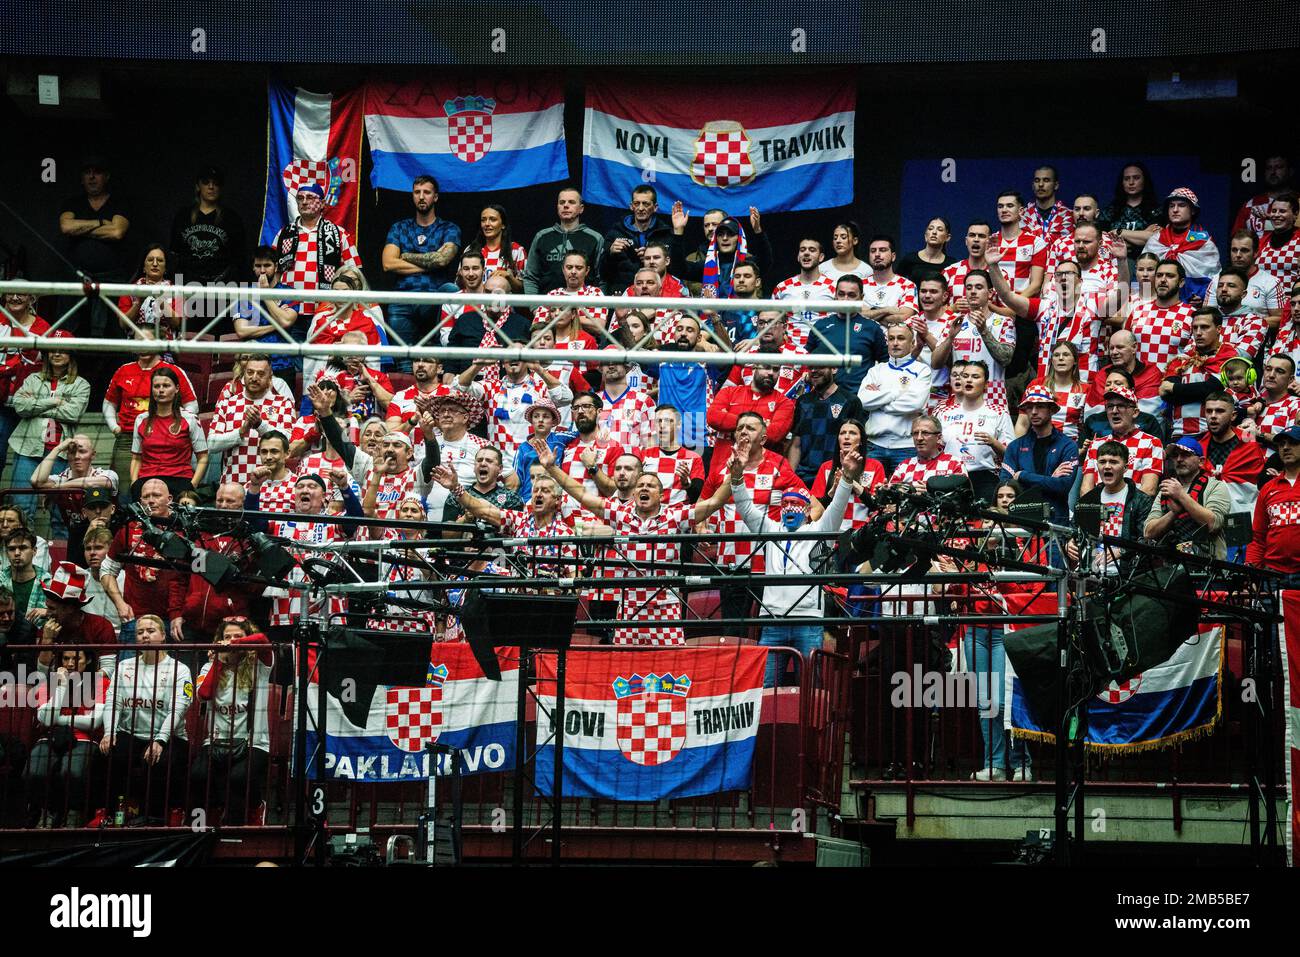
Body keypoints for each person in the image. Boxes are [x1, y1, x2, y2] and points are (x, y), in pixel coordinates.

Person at [533, 439, 734, 644]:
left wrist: (736, 474)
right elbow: (582, 495)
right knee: (624, 666)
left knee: (669, 667)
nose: (644, 488)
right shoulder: (620, 514)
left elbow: (716, 501)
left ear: (661, 495)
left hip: (666, 609)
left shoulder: (675, 516)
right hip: (628, 608)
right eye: (640, 486)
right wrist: (552, 467)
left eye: (650, 486)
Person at [733, 444, 865, 686]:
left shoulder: (818, 530)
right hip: (773, 620)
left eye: (796, 504)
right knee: (766, 688)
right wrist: (737, 477)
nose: (789, 508)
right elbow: (745, 507)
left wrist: (846, 478)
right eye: (785, 504)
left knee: (811, 688)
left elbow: (836, 509)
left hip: (808, 620)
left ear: (807, 510)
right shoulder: (770, 529)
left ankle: (814, 725)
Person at [700, 412, 810, 636]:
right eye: (739, 428)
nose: (743, 432)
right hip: (729, 563)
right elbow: (702, 504)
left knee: (766, 632)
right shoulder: (722, 468)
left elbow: (812, 506)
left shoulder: (778, 465)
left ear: (763, 438)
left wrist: (796, 537)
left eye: (750, 428)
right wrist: (700, 527)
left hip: (767, 564)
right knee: (733, 631)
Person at [100, 613, 193, 823]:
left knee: (159, 762)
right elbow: (112, 702)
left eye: (150, 631)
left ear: (163, 635)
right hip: (130, 733)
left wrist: (160, 740)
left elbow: (178, 709)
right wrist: (109, 732)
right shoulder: (124, 666)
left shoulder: (180, 670)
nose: (144, 636)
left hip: (169, 737)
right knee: (107, 754)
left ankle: (154, 818)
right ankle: (111, 814)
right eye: (140, 632)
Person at [191, 617, 274, 826]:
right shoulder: (209, 668)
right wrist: (219, 660)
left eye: (238, 636)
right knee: (198, 774)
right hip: (217, 741)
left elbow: (263, 639)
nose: (232, 640)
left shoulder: (260, 666)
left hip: (253, 741)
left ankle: (245, 817)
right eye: (226, 637)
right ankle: (201, 826)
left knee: (237, 777)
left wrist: (234, 645)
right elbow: (204, 694)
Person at [103, 337, 199, 500]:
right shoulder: (123, 370)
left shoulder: (173, 370)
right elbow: (108, 403)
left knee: (167, 495)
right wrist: (114, 426)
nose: (143, 344)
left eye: (148, 339)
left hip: (168, 436)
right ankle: (132, 524)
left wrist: (175, 422)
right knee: (127, 493)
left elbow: (192, 405)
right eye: (139, 340)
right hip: (127, 438)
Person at [25, 642, 106, 829]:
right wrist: (61, 686)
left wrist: (58, 718)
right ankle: (43, 812)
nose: (70, 663)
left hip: (85, 738)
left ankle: (73, 812)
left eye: (76, 659)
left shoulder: (100, 683)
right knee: (36, 770)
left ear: (89, 660)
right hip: (51, 737)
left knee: (72, 771)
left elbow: (94, 722)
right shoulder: (50, 683)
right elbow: (45, 720)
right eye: (66, 658)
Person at [8, 340, 89, 521]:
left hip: (61, 452)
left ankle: (60, 549)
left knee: (60, 512)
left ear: (71, 356)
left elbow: (73, 413)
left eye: (62, 350)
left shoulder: (81, 384)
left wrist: (36, 404)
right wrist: (53, 401)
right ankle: (21, 547)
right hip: (27, 448)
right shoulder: (32, 379)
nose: (56, 354)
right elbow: (20, 406)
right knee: (21, 507)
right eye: (52, 350)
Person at [99, 479, 188, 640]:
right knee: (128, 666)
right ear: (140, 501)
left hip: (172, 620)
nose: (151, 500)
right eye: (146, 497)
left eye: (156, 495)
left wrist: (179, 613)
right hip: (135, 620)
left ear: (169, 499)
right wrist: (120, 604)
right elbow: (106, 570)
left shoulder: (183, 530)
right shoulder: (128, 529)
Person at [58, 157, 130, 340]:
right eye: (87, 172)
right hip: (77, 277)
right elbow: (66, 227)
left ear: (106, 176)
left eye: (97, 172)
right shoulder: (73, 203)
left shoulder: (119, 203)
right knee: (70, 327)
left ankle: (110, 368)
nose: (92, 177)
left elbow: (116, 232)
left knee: (112, 331)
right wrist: (99, 222)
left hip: (111, 278)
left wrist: (80, 229)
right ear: (81, 178)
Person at [930, 269, 1016, 411]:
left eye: (979, 287)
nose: (973, 291)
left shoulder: (1004, 322)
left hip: (993, 399)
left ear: (990, 293)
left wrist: (983, 331)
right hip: (959, 399)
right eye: (969, 288)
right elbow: (935, 363)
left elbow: (1005, 358)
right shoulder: (954, 322)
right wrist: (950, 338)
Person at [1068, 440, 1154, 577]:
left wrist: (1122, 551)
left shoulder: (1141, 500)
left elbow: (1148, 540)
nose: (1107, 466)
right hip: (1090, 575)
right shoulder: (1088, 499)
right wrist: (1069, 543)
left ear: (1125, 467)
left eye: (1113, 462)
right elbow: (1074, 530)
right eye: (1102, 462)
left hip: (1126, 576)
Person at [207, 356, 295, 488]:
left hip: (271, 485)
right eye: (250, 372)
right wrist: (241, 431)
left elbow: (289, 442)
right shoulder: (228, 403)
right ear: (244, 374)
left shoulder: (283, 403)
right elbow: (212, 444)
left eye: (260, 374)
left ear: (270, 378)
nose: (254, 378)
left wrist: (260, 425)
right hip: (234, 484)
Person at [857, 323, 932, 475]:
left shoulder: (921, 370)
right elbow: (863, 401)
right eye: (891, 338)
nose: (895, 343)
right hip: (874, 445)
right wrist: (897, 392)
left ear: (912, 344)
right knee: (869, 495)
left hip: (905, 447)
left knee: (904, 496)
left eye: (901, 338)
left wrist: (879, 402)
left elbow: (915, 404)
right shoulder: (876, 370)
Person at [937, 361, 1015, 501]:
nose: (968, 380)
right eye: (965, 375)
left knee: (984, 521)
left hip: (986, 477)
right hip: (950, 476)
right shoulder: (944, 412)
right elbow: (935, 450)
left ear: (986, 384)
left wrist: (993, 443)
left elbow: (1012, 455)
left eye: (975, 376)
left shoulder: (998, 412)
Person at [1144, 437, 1231, 558]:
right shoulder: (1165, 489)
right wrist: (1173, 513)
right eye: (1175, 455)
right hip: (1171, 564)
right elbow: (1148, 532)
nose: (1179, 459)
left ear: (1201, 461)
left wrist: (1181, 496)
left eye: (1186, 454)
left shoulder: (1215, 486)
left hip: (1208, 564)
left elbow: (1213, 524)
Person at [1159, 308, 1239, 438]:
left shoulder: (1228, 356)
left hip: (1213, 435)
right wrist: (1199, 392)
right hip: (1179, 432)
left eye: (1204, 327)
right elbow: (1166, 394)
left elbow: (1213, 389)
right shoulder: (1183, 359)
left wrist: (1175, 388)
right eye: (1195, 328)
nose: (1198, 333)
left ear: (1219, 329)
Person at [1002, 387, 1079, 524]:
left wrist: (1023, 476)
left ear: (1052, 409)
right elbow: (1005, 485)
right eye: (1029, 407)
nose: (1034, 412)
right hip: (1022, 523)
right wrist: (1049, 480)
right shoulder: (1015, 447)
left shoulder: (1068, 446)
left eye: (1040, 406)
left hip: (1056, 523)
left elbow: (1063, 486)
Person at [130, 366, 209, 498]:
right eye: (156, 386)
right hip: (146, 482)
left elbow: (203, 457)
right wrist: (134, 483)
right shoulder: (141, 419)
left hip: (180, 481)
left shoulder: (190, 419)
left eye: (166, 386)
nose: (161, 390)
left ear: (177, 389)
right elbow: (136, 458)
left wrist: (192, 486)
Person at [668, 205, 772, 298]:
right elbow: (679, 269)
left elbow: (766, 261)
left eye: (730, 234)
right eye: (720, 234)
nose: (725, 238)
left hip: (744, 317)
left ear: (739, 237)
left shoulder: (748, 262)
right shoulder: (707, 264)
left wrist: (758, 231)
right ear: (715, 238)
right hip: (711, 317)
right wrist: (678, 232)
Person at [808, 275, 889, 393]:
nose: (845, 299)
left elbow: (885, 363)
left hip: (860, 397)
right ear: (835, 296)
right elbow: (808, 362)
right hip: (824, 398)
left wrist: (878, 384)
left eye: (851, 295)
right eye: (841, 294)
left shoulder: (872, 328)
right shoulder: (820, 326)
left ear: (861, 298)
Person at [442, 271, 532, 377]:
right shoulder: (465, 321)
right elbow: (451, 364)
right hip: (466, 388)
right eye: (488, 293)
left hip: (506, 390)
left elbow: (530, 368)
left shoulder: (522, 325)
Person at [1078, 386, 1164, 497]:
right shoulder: (1096, 444)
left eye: (1120, 406)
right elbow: (1086, 489)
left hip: (1133, 511)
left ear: (1135, 412)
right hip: (1100, 511)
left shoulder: (1151, 443)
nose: (1114, 411)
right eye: (1110, 406)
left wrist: (1124, 510)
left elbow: (1148, 489)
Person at [169, 166, 245, 286]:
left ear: (221, 187)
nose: (211, 187)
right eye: (206, 182)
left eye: (216, 183)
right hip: (186, 283)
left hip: (221, 284)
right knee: (179, 306)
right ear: (198, 186)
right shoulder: (183, 216)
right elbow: (174, 253)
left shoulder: (231, 218)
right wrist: (176, 282)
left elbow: (240, 257)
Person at [789, 365, 865, 485]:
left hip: (835, 475)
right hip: (804, 476)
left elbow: (858, 443)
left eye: (820, 366)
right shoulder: (803, 401)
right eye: (811, 367)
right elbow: (796, 444)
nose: (813, 371)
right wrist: (791, 478)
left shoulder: (850, 401)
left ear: (834, 369)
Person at [1142, 187, 1220, 303]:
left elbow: (1214, 277)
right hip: (1156, 304)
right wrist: (1145, 299)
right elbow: (1143, 274)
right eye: (1171, 206)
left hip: (1193, 306)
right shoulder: (1156, 239)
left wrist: (1203, 297)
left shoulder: (1204, 241)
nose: (1175, 210)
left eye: (1181, 205)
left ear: (1193, 210)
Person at [523, 187, 605, 296]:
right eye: (562, 202)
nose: (566, 205)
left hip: (584, 306)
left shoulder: (595, 238)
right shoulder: (542, 236)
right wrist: (536, 308)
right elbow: (530, 277)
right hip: (547, 306)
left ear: (581, 209)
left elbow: (602, 279)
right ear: (557, 207)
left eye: (571, 202)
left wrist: (594, 308)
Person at [708, 364, 796, 465]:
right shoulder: (729, 392)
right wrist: (761, 424)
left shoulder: (784, 403)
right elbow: (713, 417)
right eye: (766, 367)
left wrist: (730, 419)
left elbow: (774, 434)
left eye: (776, 369)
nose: (771, 373)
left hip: (760, 472)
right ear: (754, 367)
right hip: (722, 467)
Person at [1118, 260, 1197, 373]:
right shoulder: (1137, 311)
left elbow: (1194, 357)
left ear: (1181, 282)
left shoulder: (1192, 314)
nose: (1163, 280)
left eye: (1170, 276)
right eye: (1159, 275)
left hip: (1171, 385)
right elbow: (1123, 348)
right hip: (1138, 383)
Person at [809, 420, 885, 531]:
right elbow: (815, 511)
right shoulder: (826, 467)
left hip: (861, 535)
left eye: (853, 433)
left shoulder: (875, 466)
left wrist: (848, 480)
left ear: (861, 441)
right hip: (829, 532)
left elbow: (878, 507)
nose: (847, 436)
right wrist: (833, 490)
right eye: (842, 433)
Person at [1247, 425, 1300, 581]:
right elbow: (1257, 537)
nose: (1286, 448)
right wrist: (1251, 573)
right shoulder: (1268, 489)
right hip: (1273, 574)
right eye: (1281, 444)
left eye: (1293, 443)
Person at [599, 184, 673, 294]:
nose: (641, 208)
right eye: (636, 203)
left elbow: (675, 270)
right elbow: (603, 273)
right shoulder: (615, 232)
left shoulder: (665, 234)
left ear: (655, 207)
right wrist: (610, 253)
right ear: (631, 206)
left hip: (657, 295)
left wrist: (649, 260)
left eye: (646, 204)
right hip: (621, 295)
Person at [1206, 231, 1283, 325]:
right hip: (1220, 337)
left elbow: (1279, 319)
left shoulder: (1271, 282)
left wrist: (1247, 324)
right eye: (1234, 250)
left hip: (1256, 336)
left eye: (1244, 250)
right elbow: (1206, 316)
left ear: (1256, 253)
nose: (1238, 255)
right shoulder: (1216, 280)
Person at [772, 238, 837, 349]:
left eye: (812, 250)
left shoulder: (833, 286)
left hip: (824, 348)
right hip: (790, 350)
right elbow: (771, 320)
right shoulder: (782, 287)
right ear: (798, 257)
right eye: (802, 250)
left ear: (821, 257)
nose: (806, 253)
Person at [1016, 340, 1087, 441]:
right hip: (1038, 444)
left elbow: (1087, 426)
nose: (1061, 358)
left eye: (1066, 355)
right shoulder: (1037, 384)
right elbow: (1023, 423)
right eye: (1056, 355)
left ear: (1075, 360)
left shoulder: (1085, 389)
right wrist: (1019, 451)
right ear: (1052, 360)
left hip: (1071, 447)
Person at [1084, 330, 1164, 419]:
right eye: (1111, 348)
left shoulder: (1151, 373)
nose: (1114, 352)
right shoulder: (1103, 374)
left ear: (1134, 347)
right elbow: (1092, 415)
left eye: (1120, 347)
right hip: (1106, 430)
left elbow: (1150, 414)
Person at [1097, 162, 1161, 268]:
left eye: (1136, 178)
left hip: (1148, 265)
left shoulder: (1156, 210)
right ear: (1122, 182)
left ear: (1144, 180)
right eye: (1127, 179)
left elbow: (1155, 238)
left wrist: (1118, 232)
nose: (1131, 182)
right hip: (1114, 266)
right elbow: (1103, 242)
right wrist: (1143, 236)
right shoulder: (1110, 211)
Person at [987, 190, 1047, 299]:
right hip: (993, 307)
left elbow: (1036, 285)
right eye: (1000, 206)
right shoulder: (991, 242)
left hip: (1022, 308)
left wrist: (1013, 305)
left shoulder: (1036, 242)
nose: (1004, 210)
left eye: (1009, 206)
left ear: (1021, 211)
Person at [116, 244, 181, 340]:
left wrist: (160, 299)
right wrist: (138, 303)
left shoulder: (176, 291)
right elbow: (123, 324)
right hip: (136, 345)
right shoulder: (130, 290)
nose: (155, 264)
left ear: (165, 268)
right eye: (150, 260)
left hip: (165, 345)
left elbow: (176, 323)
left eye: (160, 260)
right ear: (143, 267)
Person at [1255, 192, 1300, 308]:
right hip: (1262, 305)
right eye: (1274, 211)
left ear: (1295, 215)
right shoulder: (1262, 241)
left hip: (1290, 307)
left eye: (1282, 211)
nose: (1276, 215)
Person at [1232, 155, 1295, 236]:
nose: (1273, 172)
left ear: (1290, 171)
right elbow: (1237, 238)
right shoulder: (1250, 205)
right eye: (1269, 168)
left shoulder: (1298, 201)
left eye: (1279, 167)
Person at [473, 204, 527, 290]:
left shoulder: (516, 250)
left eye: (493, 219)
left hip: (504, 302)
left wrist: (509, 277)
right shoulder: (471, 249)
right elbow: (459, 284)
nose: (486, 224)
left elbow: (524, 288)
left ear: (503, 225)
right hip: (475, 302)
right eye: (483, 220)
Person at [2, 529, 49, 619]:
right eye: (11, 549)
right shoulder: (1, 580)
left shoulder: (48, 583)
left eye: (23, 548)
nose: (17, 553)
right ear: (6, 553)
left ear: (34, 551)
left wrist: (49, 612)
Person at [1026, 165, 1074, 249]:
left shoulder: (1069, 216)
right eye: (1037, 180)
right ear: (1033, 186)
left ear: (1056, 185)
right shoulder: (1023, 216)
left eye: (1046, 180)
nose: (1040, 184)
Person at [896, 216, 955, 283]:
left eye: (940, 230)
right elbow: (897, 284)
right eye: (930, 229)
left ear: (948, 237)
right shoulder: (910, 258)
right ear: (925, 235)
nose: (934, 232)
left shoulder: (951, 264)